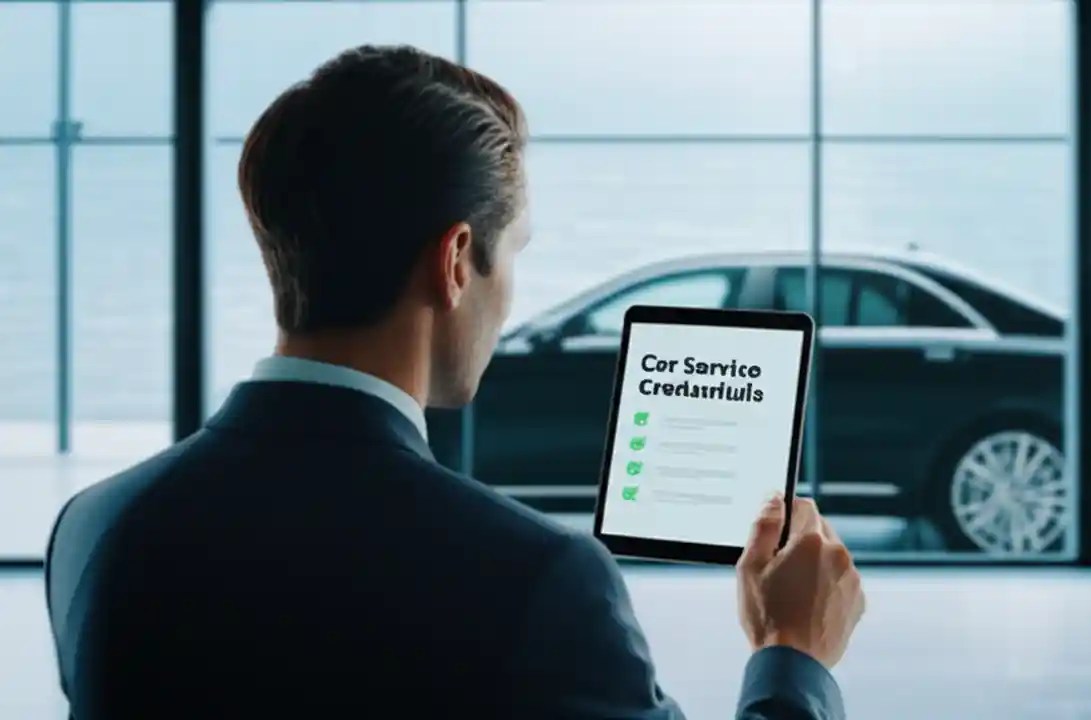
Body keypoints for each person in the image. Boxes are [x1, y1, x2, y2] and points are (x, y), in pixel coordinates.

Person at [44, 45, 866, 719]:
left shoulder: (93, 529)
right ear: (454, 261)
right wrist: (792, 655)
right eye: (514, 255)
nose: (511, 296)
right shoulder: (535, 578)